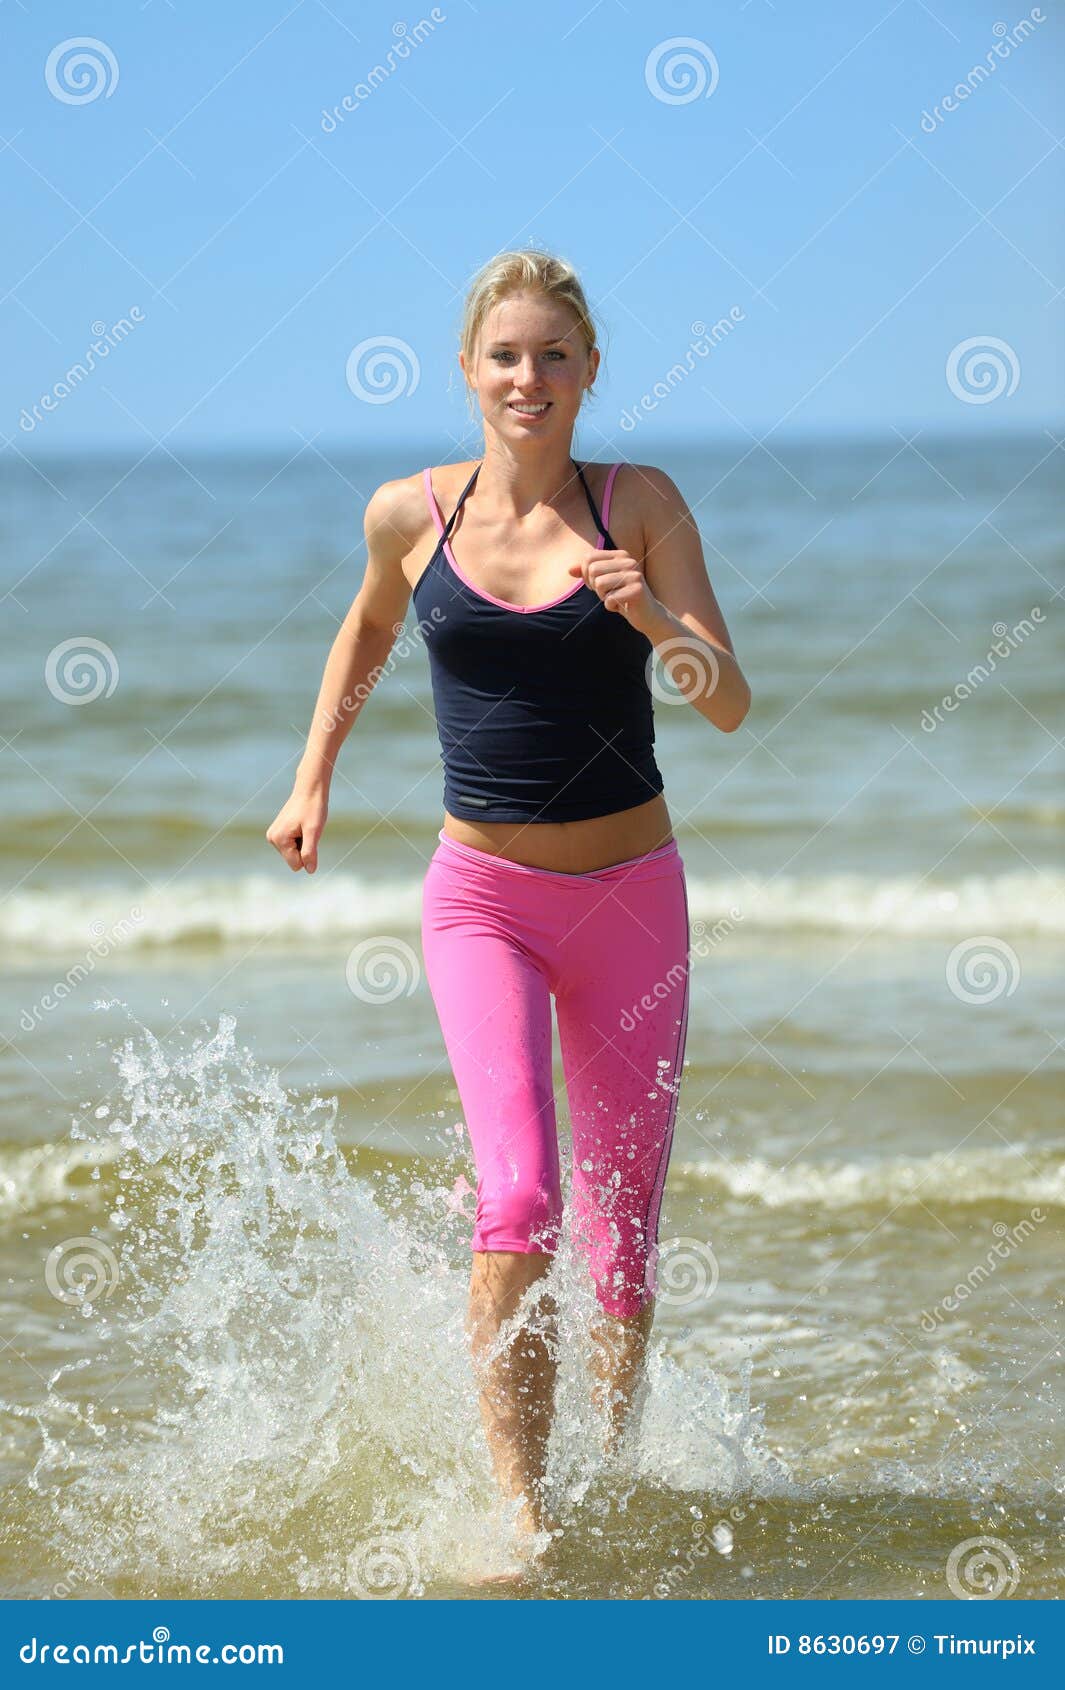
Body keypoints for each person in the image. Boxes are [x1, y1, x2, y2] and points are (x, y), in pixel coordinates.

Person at [267, 249, 751, 1562]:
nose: (525, 377)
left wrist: (648, 610)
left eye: (551, 355)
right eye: (503, 355)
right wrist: (311, 779)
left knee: (623, 1233)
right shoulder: (407, 513)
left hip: (633, 898)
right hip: (479, 894)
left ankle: (618, 1462)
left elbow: (725, 695)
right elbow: (366, 632)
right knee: (520, 1196)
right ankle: (522, 1508)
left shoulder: (636, 502)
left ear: (587, 373)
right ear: (466, 370)